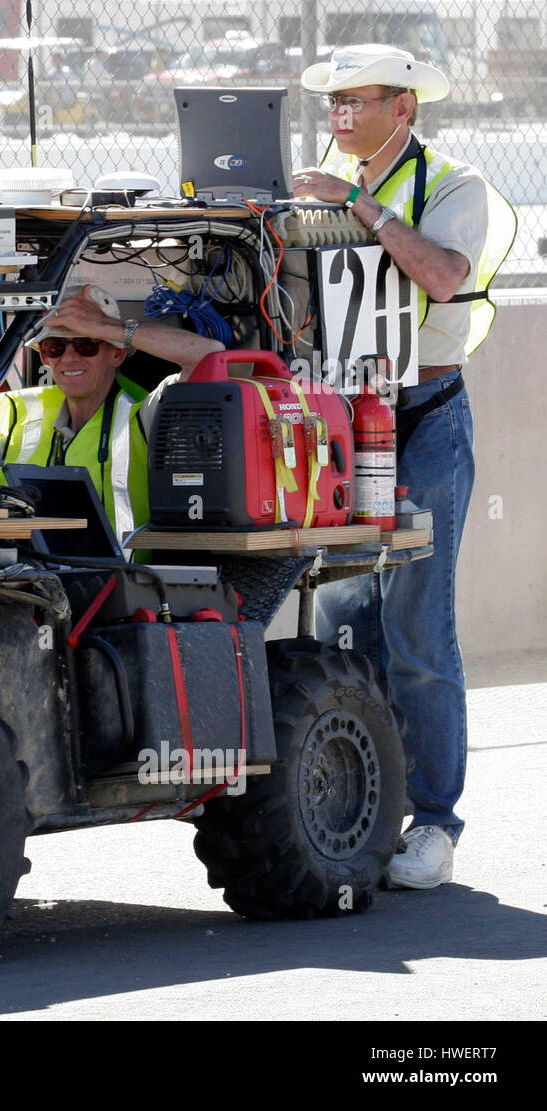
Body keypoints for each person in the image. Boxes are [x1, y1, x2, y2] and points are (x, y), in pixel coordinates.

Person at [293, 45, 515, 889]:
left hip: (423, 420)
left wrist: (359, 203)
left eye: (359, 102)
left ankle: (435, 823)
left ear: (405, 109)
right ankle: (358, 807)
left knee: (418, 627)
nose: (341, 118)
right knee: (344, 615)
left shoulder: (456, 187)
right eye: (334, 104)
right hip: (345, 421)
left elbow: (446, 276)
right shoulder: (320, 179)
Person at [0, 283, 224, 544]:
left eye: (87, 344)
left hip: (121, 579)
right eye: (55, 346)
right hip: (20, 575)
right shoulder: (10, 410)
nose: (69, 358)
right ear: (44, 357)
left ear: (118, 354)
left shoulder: (145, 414)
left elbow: (208, 355)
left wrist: (105, 327)